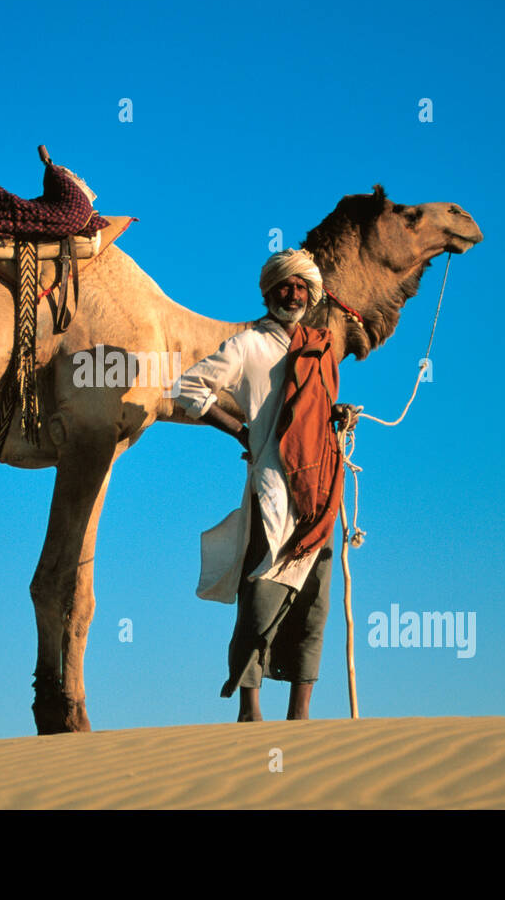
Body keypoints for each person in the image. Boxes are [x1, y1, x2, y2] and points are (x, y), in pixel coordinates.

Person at [172, 250, 344, 721]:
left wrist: (339, 415)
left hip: (321, 490)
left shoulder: (321, 349)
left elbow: (314, 413)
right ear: (268, 293)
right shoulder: (248, 345)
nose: (293, 294)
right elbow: (188, 388)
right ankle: (250, 709)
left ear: (311, 295)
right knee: (261, 596)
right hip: (272, 487)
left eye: (301, 287)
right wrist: (241, 430)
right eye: (284, 287)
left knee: (314, 599)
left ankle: (301, 714)